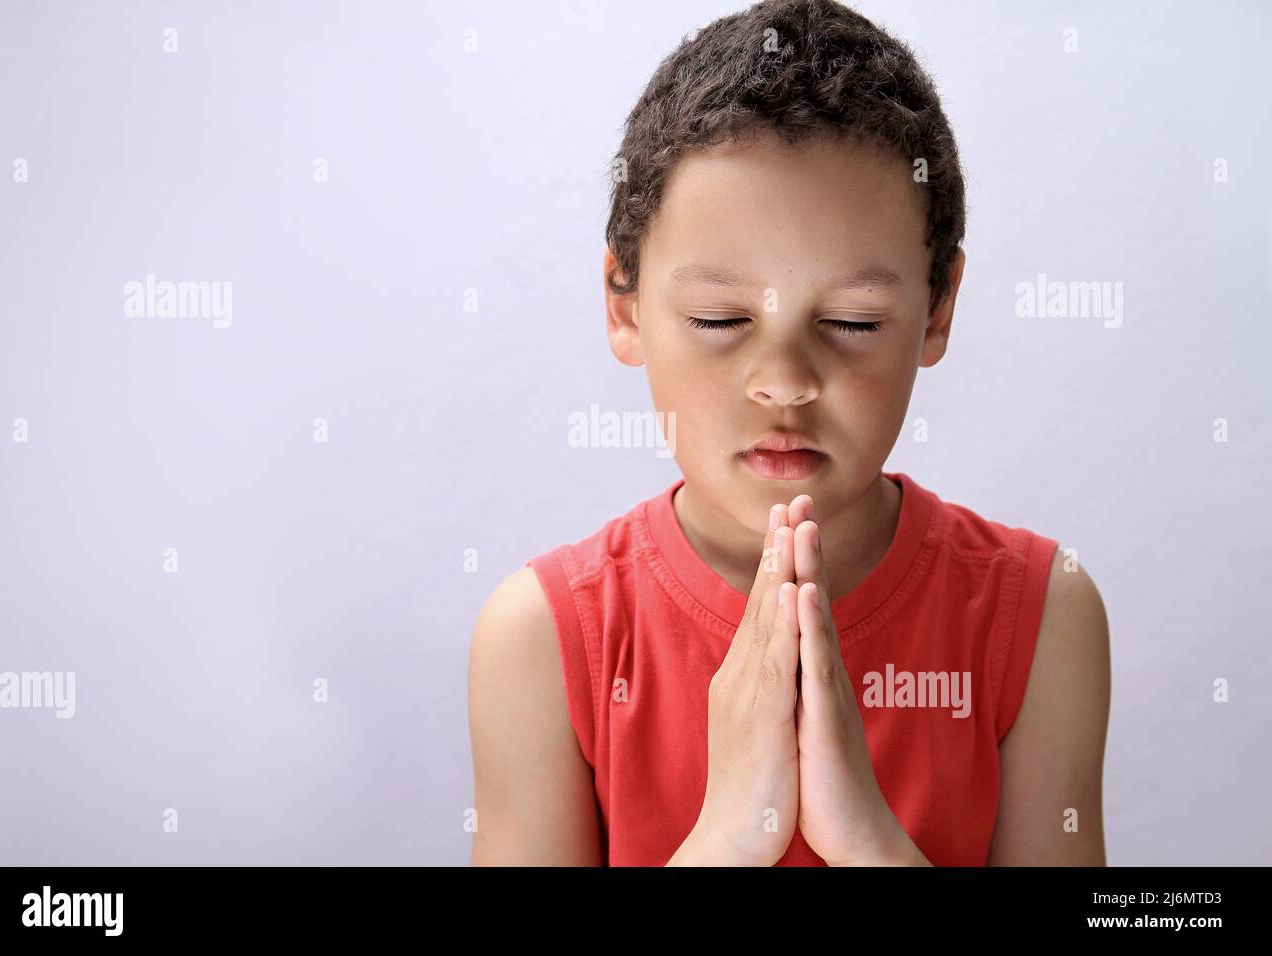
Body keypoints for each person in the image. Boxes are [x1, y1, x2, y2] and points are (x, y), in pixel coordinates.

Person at [468, 0, 1110, 866]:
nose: (784, 381)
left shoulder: (1042, 617)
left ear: (938, 308)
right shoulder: (540, 640)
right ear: (624, 304)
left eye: (851, 322)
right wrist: (730, 836)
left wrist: (867, 838)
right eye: (719, 317)